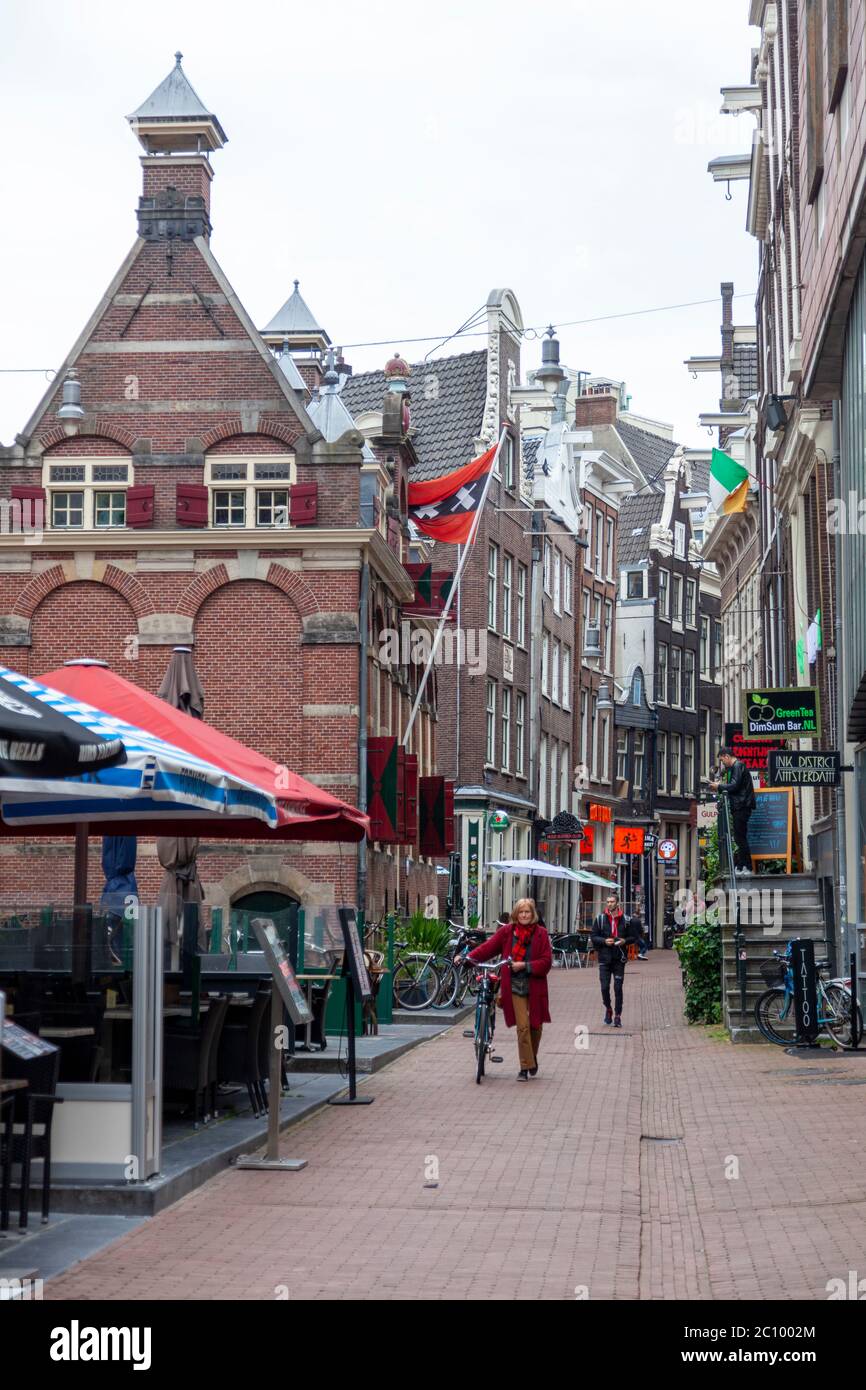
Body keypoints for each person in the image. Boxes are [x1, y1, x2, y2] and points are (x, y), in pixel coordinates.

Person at [466, 898, 552, 1081]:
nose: (524, 915)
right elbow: (488, 948)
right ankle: (524, 1067)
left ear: (532, 914)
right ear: (515, 914)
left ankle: (532, 1059)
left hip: (535, 986)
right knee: (523, 1027)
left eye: (527, 912)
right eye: (521, 912)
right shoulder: (507, 932)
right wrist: (466, 958)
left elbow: (546, 962)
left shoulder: (541, 934)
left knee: (536, 1026)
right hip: (513, 985)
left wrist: (525, 965)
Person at [591, 893, 641, 1027]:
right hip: (604, 959)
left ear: (618, 903)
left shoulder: (626, 920)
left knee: (618, 988)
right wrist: (603, 941)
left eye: (612, 902)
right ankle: (608, 1008)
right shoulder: (600, 919)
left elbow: (634, 937)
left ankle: (618, 1015)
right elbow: (593, 936)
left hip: (619, 959)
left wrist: (625, 941)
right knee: (604, 987)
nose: (609, 904)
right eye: (607, 902)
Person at [710, 746, 756, 874]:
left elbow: (735, 785)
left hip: (741, 806)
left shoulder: (737, 766)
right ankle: (742, 866)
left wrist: (719, 786)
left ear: (727, 756)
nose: (722, 763)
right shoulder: (737, 767)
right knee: (739, 836)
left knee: (740, 837)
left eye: (722, 760)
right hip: (740, 806)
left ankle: (747, 866)